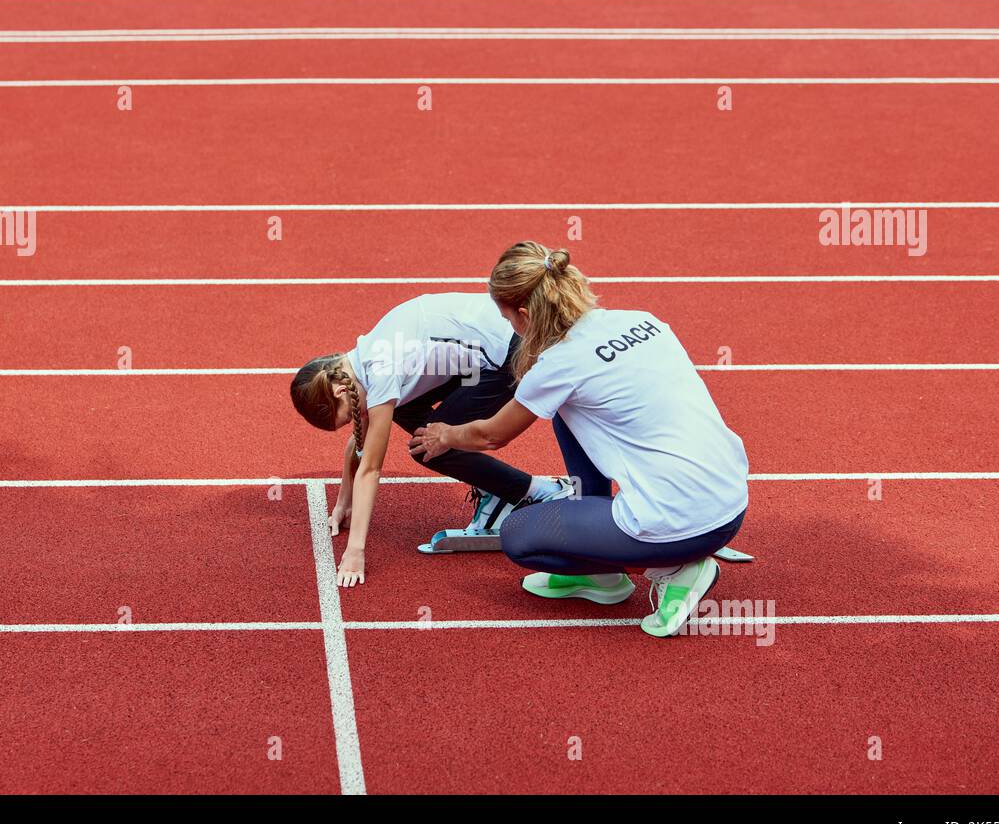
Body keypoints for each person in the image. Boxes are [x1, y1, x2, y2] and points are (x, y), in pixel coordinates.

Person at [409, 243, 749, 637]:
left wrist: (445, 433)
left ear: (525, 314)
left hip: (680, 523)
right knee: (566, 415)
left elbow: (491, 435)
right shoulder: (644, 320)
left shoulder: (560, 363)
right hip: (731, 503)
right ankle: (602, 577)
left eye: (507, 318)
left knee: (519, 537)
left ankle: (675, 569)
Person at [290, 292, 570, 586]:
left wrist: (355, 552)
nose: (355, 419)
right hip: (479, 350)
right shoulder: (360, 360)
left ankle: (539, 491)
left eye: (348, 415)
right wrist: (344, 502)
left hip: (510, 352)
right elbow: (361, 436)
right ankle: (498, 493)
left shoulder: (380, 369)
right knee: (407, 416)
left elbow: (370, 467)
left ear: (337, 391)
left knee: (430, 447)